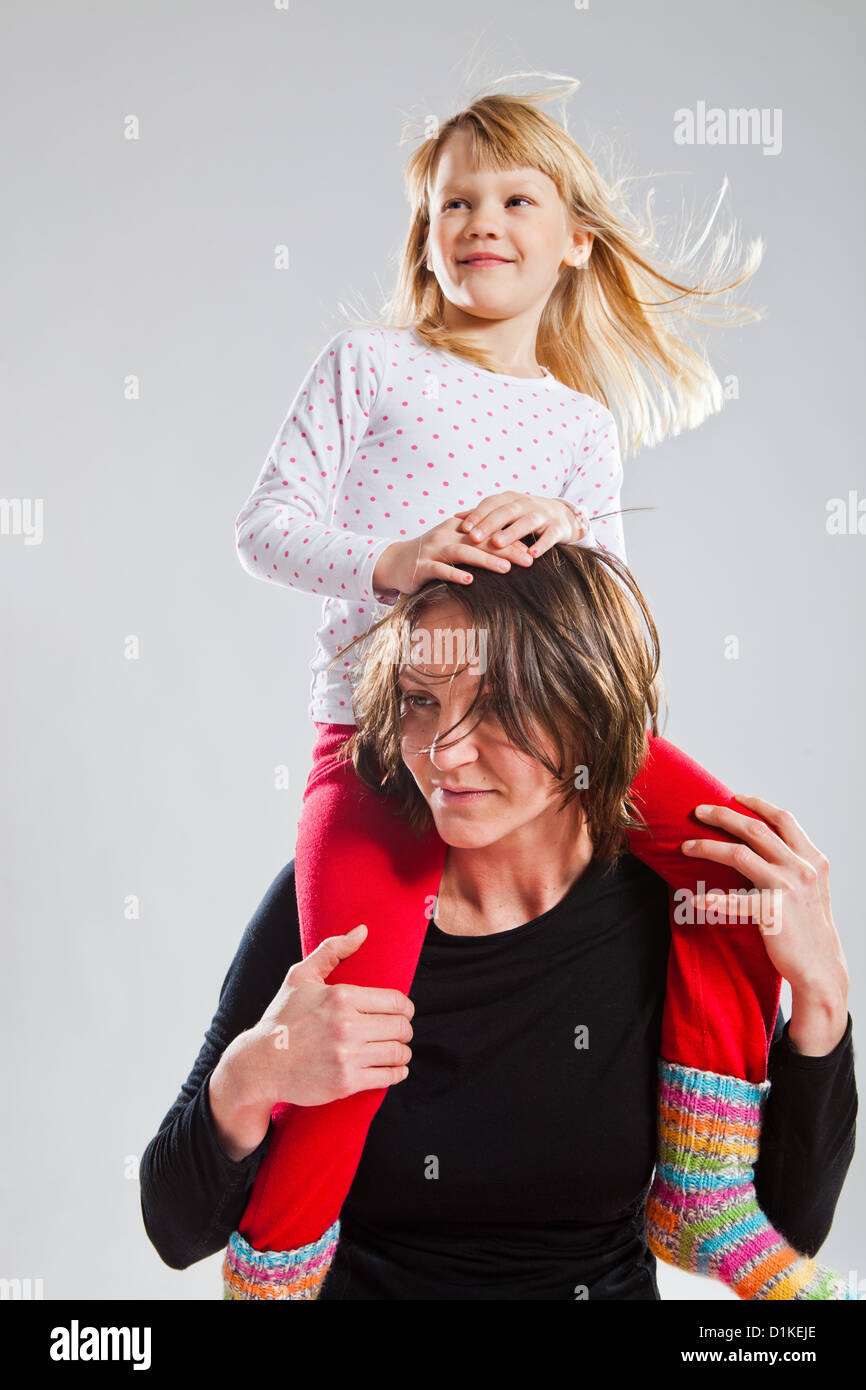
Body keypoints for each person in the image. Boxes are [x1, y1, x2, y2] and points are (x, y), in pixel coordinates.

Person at [225, 88, 850, 1299]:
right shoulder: (368, 365)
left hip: (549, 740)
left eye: (515, 199)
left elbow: (605, 624)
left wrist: (572, 532)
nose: (479, 221)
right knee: (356, 998)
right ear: (424, 230)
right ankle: (280, 1260)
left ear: (574, 239)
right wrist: (387, 560)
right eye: (452, 200)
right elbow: (261, 528)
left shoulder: (576, 423)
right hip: (375, 743)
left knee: (736, 863)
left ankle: (706, 1187)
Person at [140, 545, 857, 1299]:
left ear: (588, 714)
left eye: (497, 707)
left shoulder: (672, 912)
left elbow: (783, 1228)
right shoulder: (332, 910)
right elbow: (174, 1230)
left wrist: (822, 1001)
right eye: (421, 700)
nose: (446, 751)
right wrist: (251, 1079)